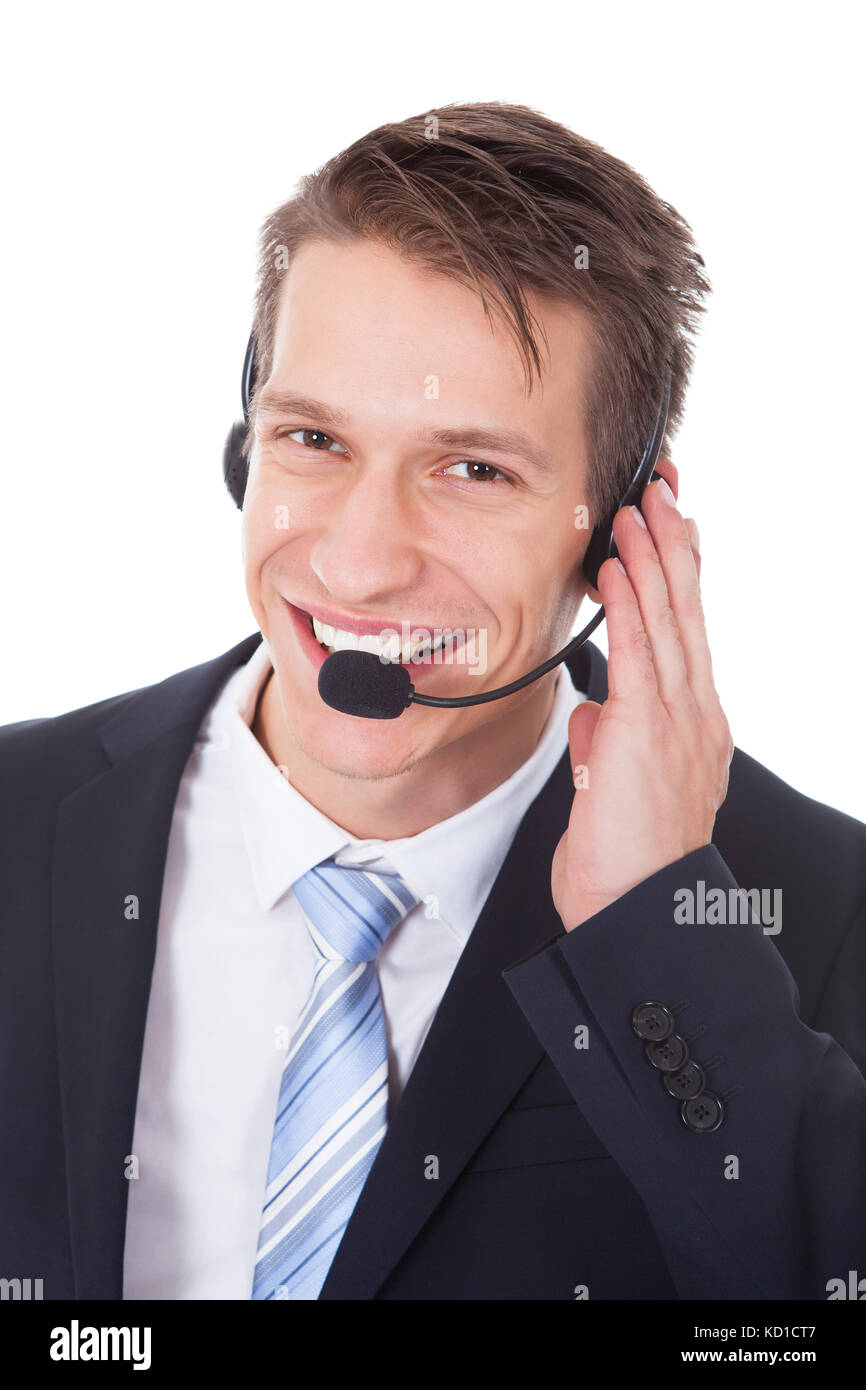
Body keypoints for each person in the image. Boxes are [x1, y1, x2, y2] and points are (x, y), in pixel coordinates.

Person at [2, 101, 864, 1302]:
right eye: (312, 438)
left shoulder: (814, 913)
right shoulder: (17, 819)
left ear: (625, 520)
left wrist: (653, 938)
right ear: (240, 449)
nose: (358, 564)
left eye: (472, 469)